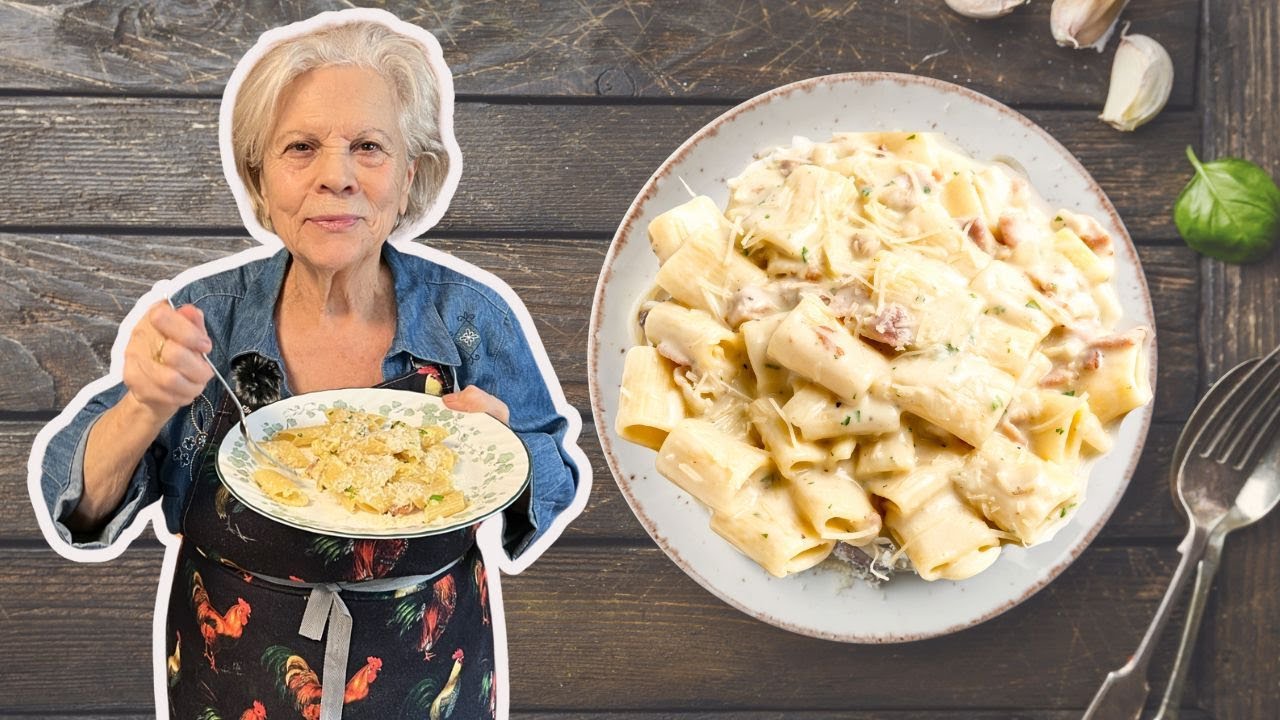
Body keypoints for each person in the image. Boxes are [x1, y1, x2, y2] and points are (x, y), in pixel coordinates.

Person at [30, 9, 586, 720]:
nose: (338, 178)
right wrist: (144, 403)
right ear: (260, 179)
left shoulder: (470, 320)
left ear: (409, 175)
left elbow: (555, 476)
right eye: (301, 148)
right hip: (227, 679)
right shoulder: (208, 315)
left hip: (429, 680)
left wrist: (507, 446)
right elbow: (81, 507)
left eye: (369, 147)